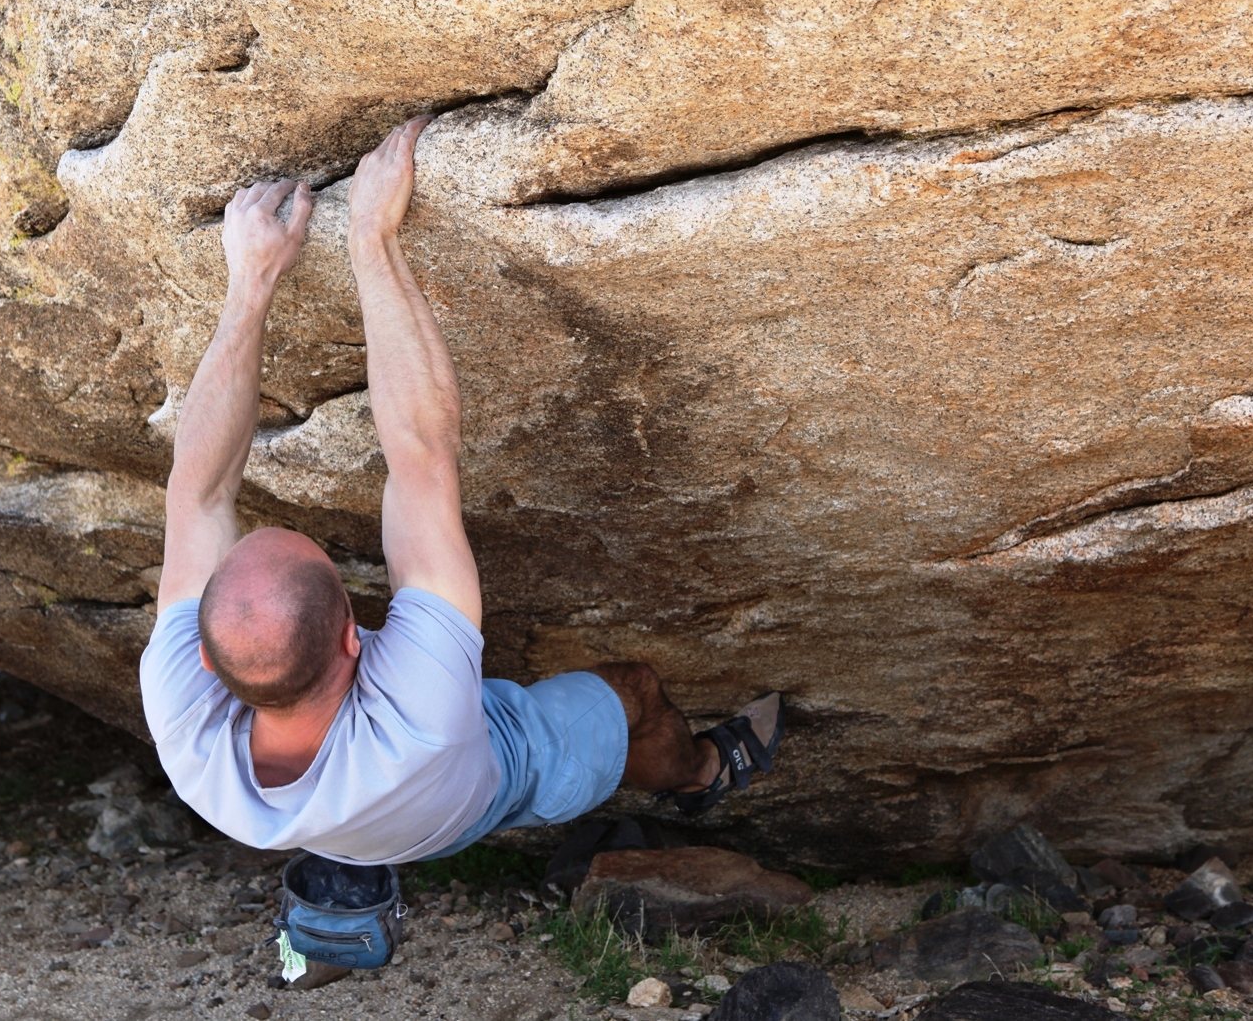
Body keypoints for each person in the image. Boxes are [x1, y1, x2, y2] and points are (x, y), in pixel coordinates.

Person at [140, 116, 784, 866]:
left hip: (355, 811)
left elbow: (197, 493)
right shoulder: (421, 713)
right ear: (357, 636)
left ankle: (352, 862)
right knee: (631, 691)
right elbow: (422, 456)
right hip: (482, 781)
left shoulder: (182, 709)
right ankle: (700, 774)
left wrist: (249, 281)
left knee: (357, 824)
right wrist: (373, 241)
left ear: (208, 660)